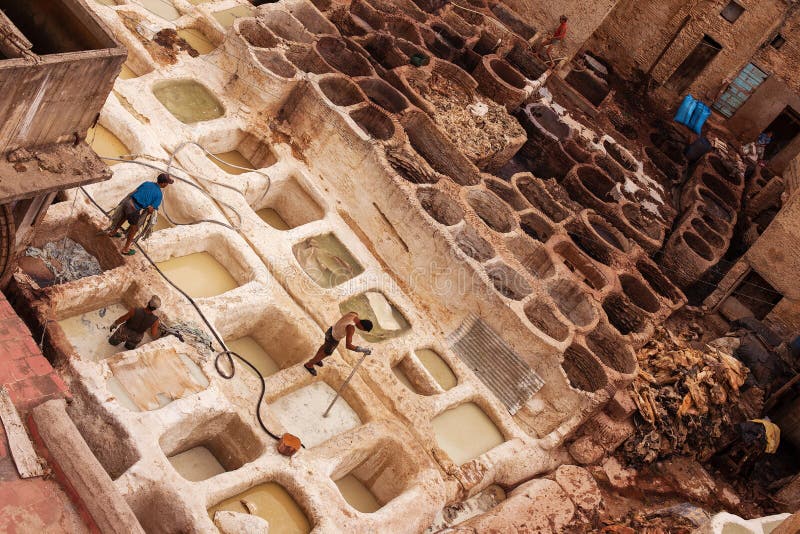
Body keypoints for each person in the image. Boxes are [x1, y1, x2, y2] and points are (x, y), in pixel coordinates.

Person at [107, 173, 174, 256]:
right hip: (134, 209)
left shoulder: (147, 183)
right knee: (134, 229)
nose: (167, 185)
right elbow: (151, 209)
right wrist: (147, 212)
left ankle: (113, 232)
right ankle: (126, 249)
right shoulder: (159, 194)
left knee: (124, 216)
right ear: (164, 183)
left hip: (127, 202)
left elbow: (135, 191)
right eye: (167, 183)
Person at [304, 312, 373, 376]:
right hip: (334, 338)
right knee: (326, 353)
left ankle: (316, 360)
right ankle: (309, 364)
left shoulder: (353, 314)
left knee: (324, 346)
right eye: (363, 329)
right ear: (362, 327)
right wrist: (362, 349)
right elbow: (348, 345)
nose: (361, 330)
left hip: (330, 330)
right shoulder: (351, 328)